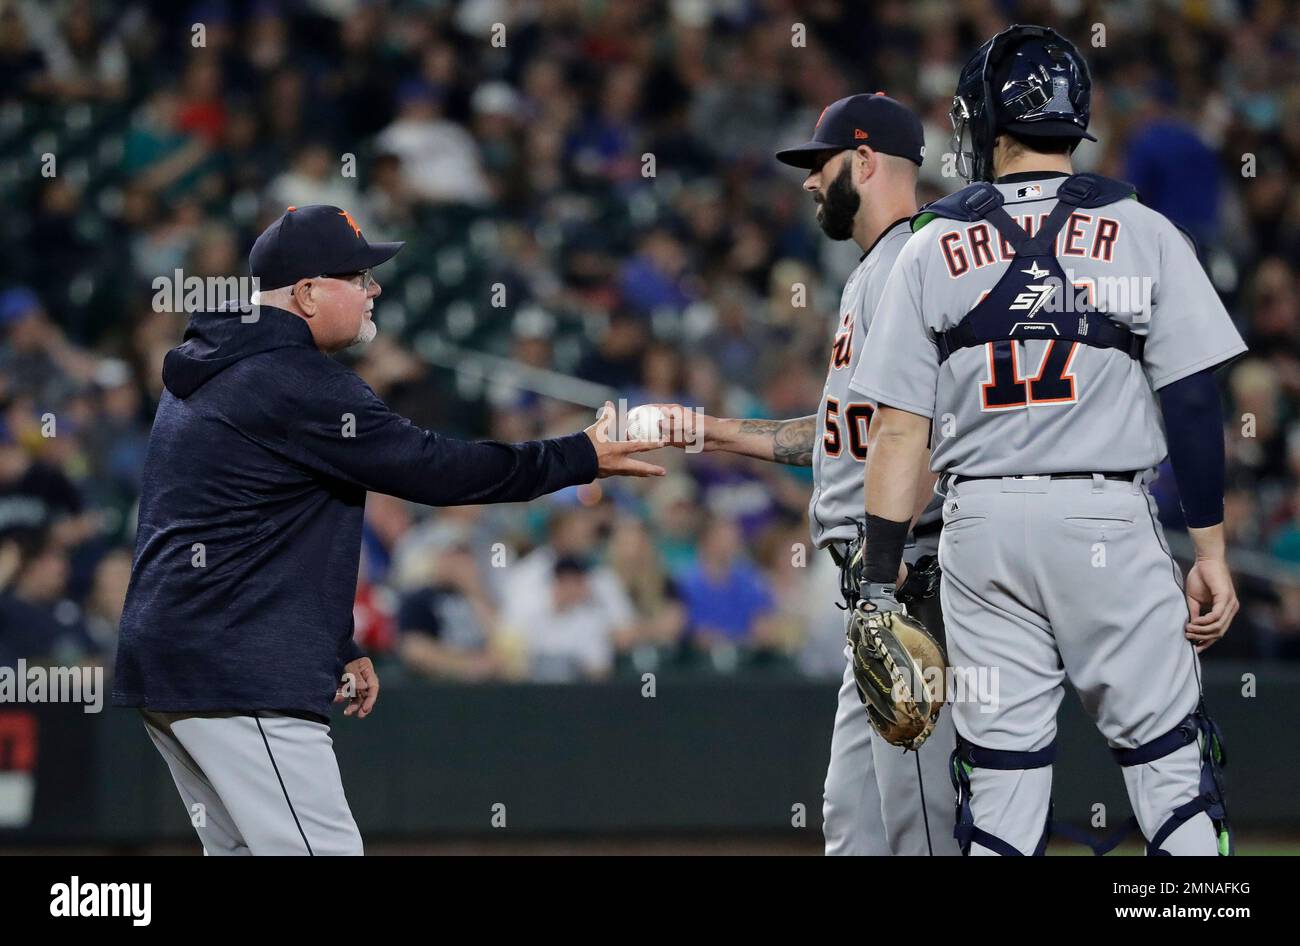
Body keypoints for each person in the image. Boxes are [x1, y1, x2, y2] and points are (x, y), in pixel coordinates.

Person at [113, 204, 664, 856]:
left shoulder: (218, 362)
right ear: (308, 293)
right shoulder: (294, 379)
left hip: (179, 655)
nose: (374, 289)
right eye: (358, 277)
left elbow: (256, 521)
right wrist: (578, 455)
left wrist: (336, 642)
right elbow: (437, 471)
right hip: (237, 662)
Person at [854, 26, 1245, 856]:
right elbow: (1191, 401)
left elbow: (897, 431)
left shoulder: (931, 245)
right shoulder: (1143, 231)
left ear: (989, 120)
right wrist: (1210, 551)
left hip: (981, 527)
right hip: (1105, 516)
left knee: (1001, 792)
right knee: (1170, 775)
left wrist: (880, 582)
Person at [641, 94, 959, 855]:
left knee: (920, 823)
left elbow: (924, 431)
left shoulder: (915, 261)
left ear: (866, 160)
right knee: (853, 823)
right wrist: (711, 432)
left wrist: (894, 568)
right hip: (873, 586)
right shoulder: (873, 270)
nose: (811, 182)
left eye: (822, 163)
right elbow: (841, 436)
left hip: (908, 574)